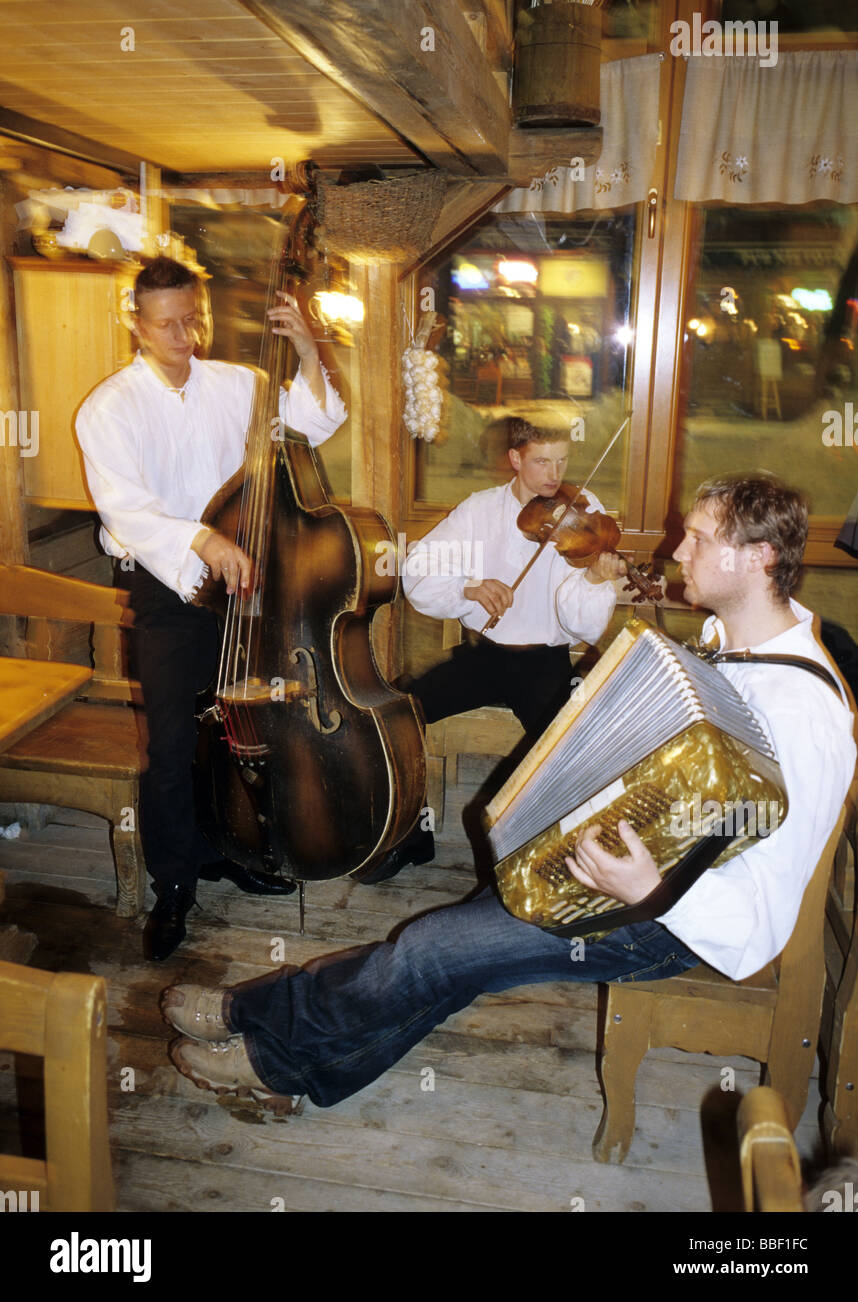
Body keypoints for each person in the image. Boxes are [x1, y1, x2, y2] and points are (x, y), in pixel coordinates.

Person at [162, 474, 856, 1110]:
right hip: (636, 871)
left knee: (434, 948)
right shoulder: (725, 640)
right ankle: (292, 1052)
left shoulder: (801, 710)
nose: (679, 549)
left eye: (701, 539)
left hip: (669, 921)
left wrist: (649, 888)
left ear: (760, 557)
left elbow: (759, 920)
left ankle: (265, 1042)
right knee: (454, 950)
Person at [76, 257, 346, 961]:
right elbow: (125, 509)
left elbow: (313, 421)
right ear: (133, 321)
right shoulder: (108, 407)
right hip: (168, 592)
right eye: (166, 324)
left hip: (248, 586)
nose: (183, 336)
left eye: (192, 319)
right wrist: (202, 539)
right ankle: (173, 886)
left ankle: (235, 849)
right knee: (170, 742)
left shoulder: (241, 384)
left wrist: (310, 347)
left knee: (242, 725)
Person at [365, 417, 626, 882]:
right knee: (397, 714)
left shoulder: (583, 512)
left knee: (567, 747)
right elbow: (420, 570)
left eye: (562, 461)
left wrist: (592, 579)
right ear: (516, 459)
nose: (554, 473)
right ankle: (411, 834)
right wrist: (469, 587)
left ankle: (557, 862)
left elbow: (581, 624)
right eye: (542, 461)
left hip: (545, 662)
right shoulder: (479, 510)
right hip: (484, 656)